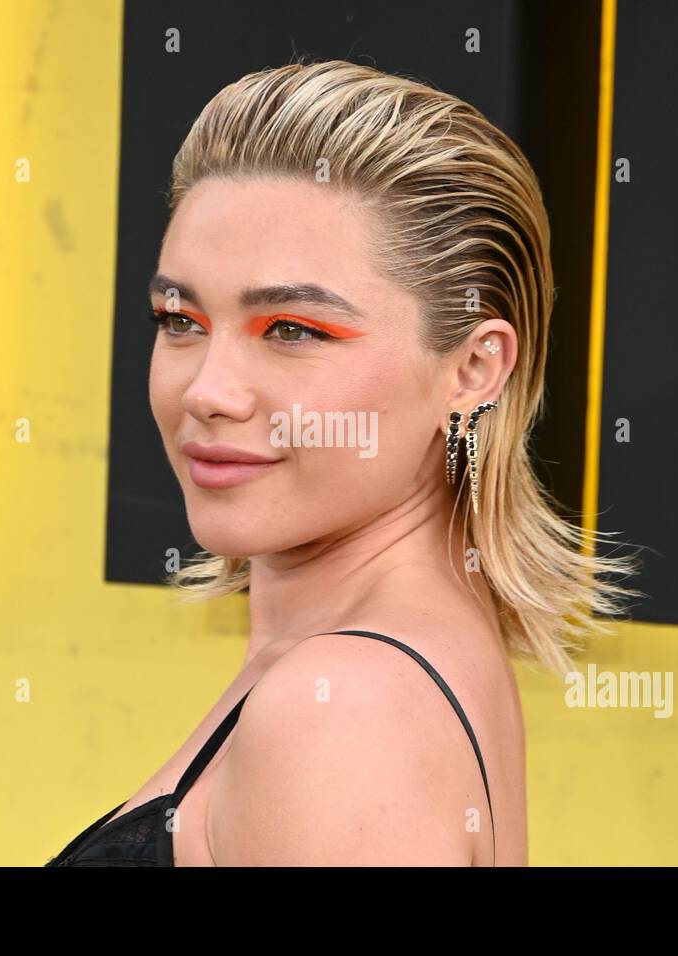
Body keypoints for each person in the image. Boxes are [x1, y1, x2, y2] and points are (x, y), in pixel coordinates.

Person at [47, 58, 638, 868]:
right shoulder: (377, 664)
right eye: (179, 319)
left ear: (473, 370)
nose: (208, 392)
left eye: (293, 330)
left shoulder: (344, 712)